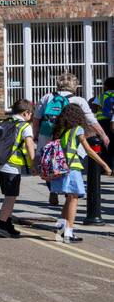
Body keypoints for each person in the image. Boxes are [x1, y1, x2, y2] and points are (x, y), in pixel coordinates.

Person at [35, 72, 109, 205]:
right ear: (75, 86)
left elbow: (36, 119)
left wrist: (36, 135)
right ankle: (70, 194)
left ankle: (53, 190)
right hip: (71, 140)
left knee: (49, 164)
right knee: (72, 166)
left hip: (48, 137)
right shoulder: (79, 100)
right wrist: (103, 135)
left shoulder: (47, 97)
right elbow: (92, 121)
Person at [49, 103, 111, 244]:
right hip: (72, 168)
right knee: (73, 200)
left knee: (68, 199)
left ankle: (61, 231)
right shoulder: (77, 130)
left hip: (60, 167)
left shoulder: (59, 129)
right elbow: (89, 151)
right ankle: (68, 233)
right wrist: (105, 165)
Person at [0, 99, 35, 238]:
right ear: (26, 113)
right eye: (31, 114)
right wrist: (33, 164)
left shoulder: (2, 123)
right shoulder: (24, 126)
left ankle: (8, 224)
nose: (31, 117)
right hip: (12, 166)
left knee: (8, 195)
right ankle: (1, 225)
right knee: (10, 197)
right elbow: (29, 146)